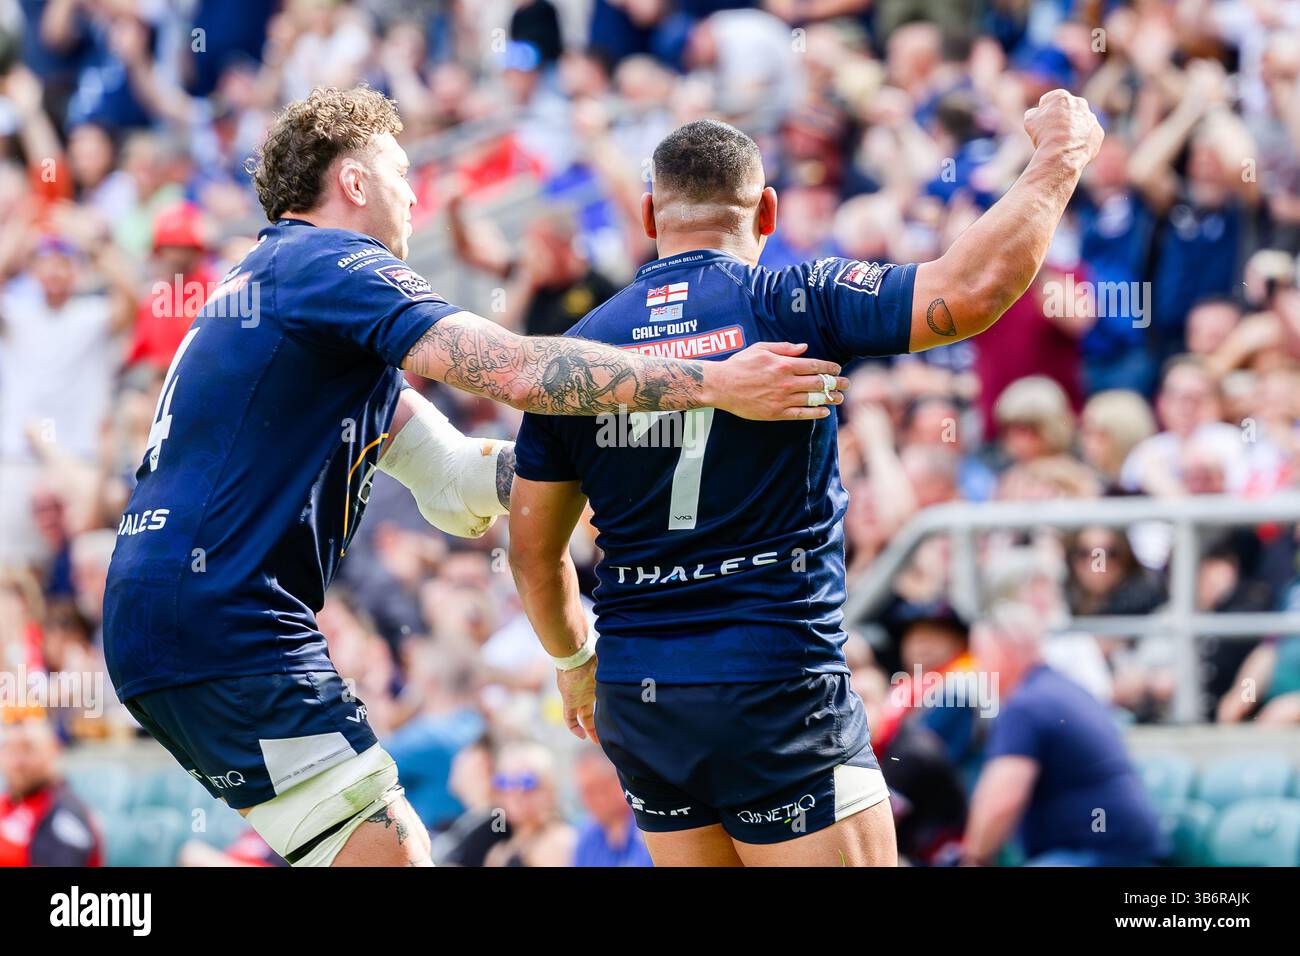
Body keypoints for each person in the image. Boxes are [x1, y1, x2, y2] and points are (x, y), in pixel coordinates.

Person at [101, 86, 844, 869]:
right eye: (399, 169)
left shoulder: (289, 299)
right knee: (394, 854)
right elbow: (517, 370)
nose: (416, 192)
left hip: (164, 622)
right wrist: (709, 383)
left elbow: (458, 483)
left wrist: (592, 466)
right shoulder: (331, 262)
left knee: (377, 850)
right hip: (221, 620)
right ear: (354, 183)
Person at [508, 92, 1105, 866]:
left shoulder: (579, 352)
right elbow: (971, 290)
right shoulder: (792, 299)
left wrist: (573, 664)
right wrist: (1059, 159)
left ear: (650, 215)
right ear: (767, 212)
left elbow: (531, 553)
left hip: (644, 696)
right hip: (772, 683)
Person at [961, 603, 1165, 867]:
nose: (977, 669)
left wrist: (972, 858)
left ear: (1004, 651)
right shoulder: (1066, 689)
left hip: (1100, 855)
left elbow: (1000, 802)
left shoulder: (1025, 706)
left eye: (980, 655)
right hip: (1126, 851)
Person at [0, 715, 102, 867]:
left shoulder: (65, 816)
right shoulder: (7, 802)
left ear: (53, 750)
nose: (17, 762)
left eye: (28, 749)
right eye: (9, 749)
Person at [571, 749, 652, 867]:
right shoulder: (587, 838)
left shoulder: (650, 826)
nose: (587, 800)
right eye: (583, 792)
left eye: (595, 789)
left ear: (619, 782)